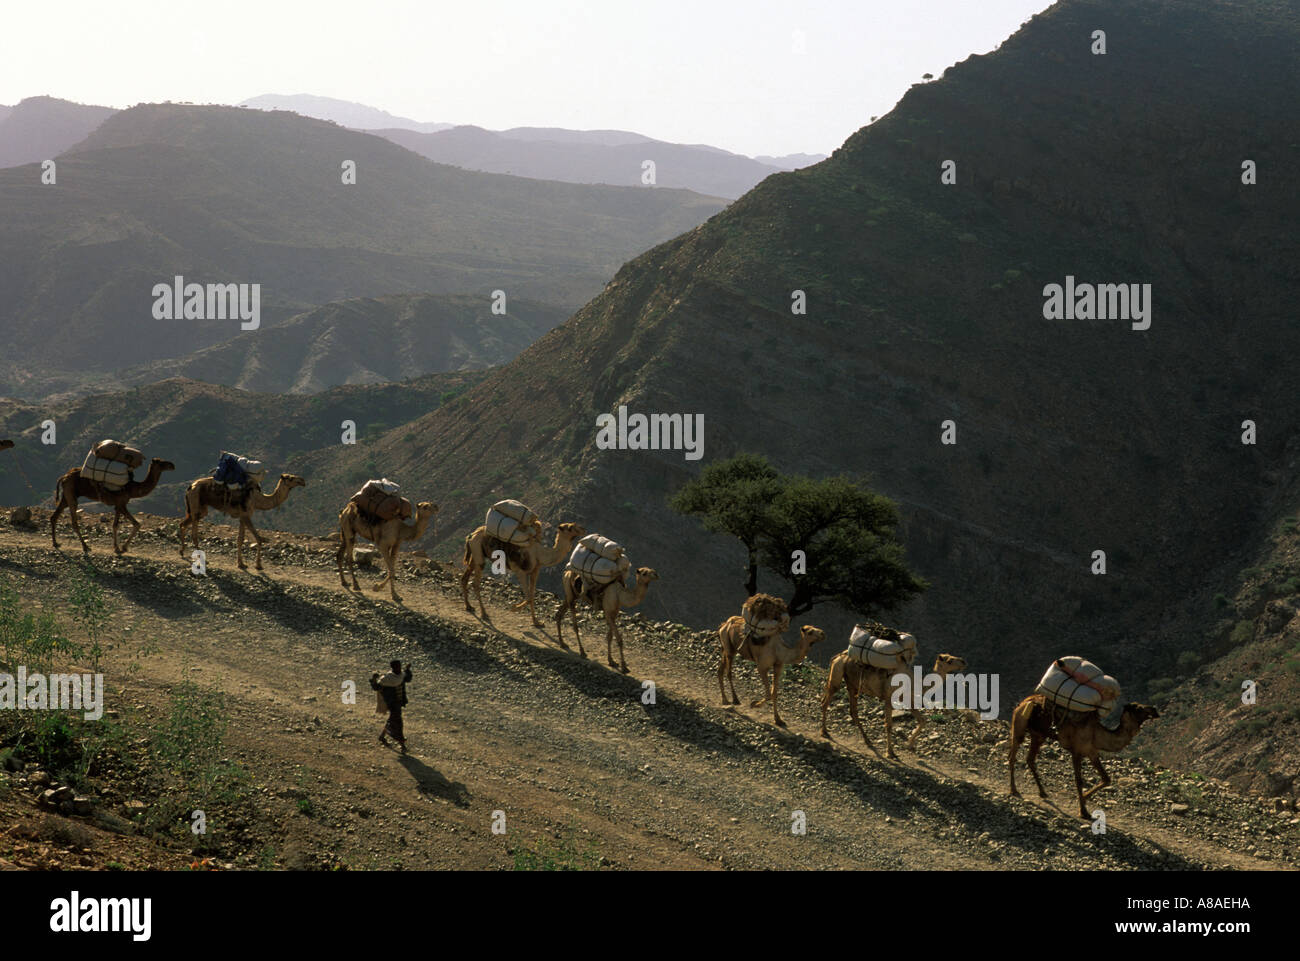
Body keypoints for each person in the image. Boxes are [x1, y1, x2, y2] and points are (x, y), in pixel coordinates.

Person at [370, 660, 412, 752]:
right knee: (398, 722)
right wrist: (373, 680)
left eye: (400, 666)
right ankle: (402, 745)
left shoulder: (401, 675)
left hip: (399, 702)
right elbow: (376, 687)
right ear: (393, 668)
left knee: (392, 719)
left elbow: (408, 678)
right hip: (391, 703)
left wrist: (408, 670)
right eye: (397, 667)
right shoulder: (387, 679)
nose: (399, 668)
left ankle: (382, 736)